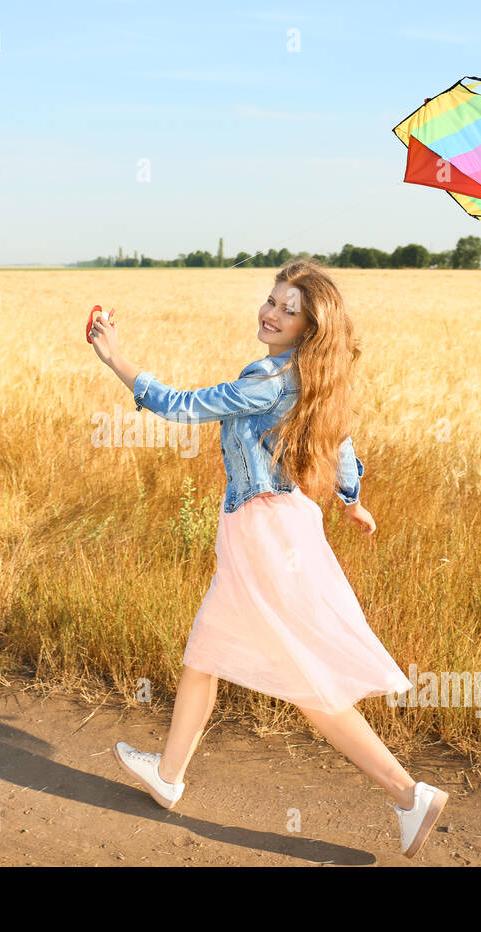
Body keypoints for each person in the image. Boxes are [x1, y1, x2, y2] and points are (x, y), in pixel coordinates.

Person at [87, 258, 448, 859]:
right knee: (205, 651)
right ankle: (168, 775)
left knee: (307, 682)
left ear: (311, 325)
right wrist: (353, 501)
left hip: (263, 536)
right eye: (272, 299)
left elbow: (182, 405)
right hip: (275, 529)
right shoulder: (315, 378)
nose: (272, 312)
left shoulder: (268, 379)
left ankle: (407, 794)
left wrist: (114, 358)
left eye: (289, 308)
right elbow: (342, 447)